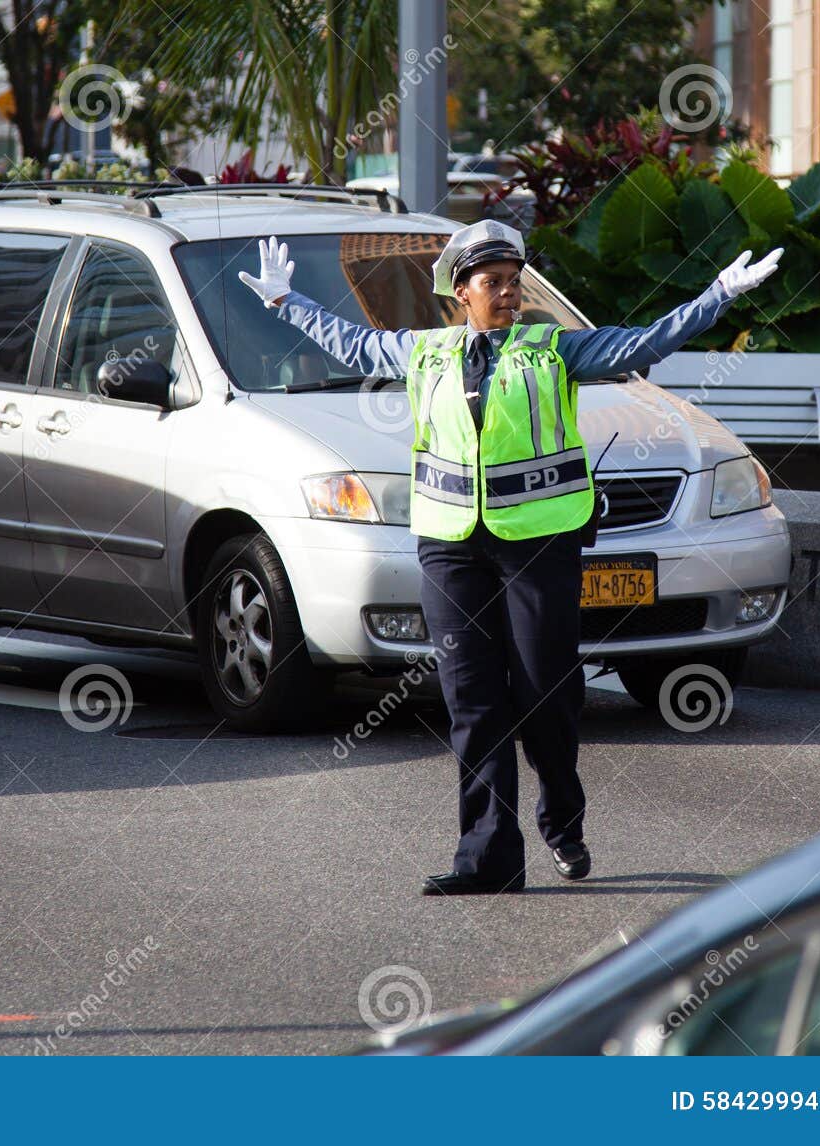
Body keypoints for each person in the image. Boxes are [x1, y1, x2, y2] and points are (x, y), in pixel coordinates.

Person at [237, 220, 782, 895]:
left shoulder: (552, 350)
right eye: (492, 283)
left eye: (514, 282)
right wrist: (288, 304)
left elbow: (644, 343)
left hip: (539, 545)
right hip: (450, 546)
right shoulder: (428, 352)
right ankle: (489, 858)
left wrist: (718, 295)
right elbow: (356, 342)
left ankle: (562, 819)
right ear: (460, 291)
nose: (508, 293)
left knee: (544, 693)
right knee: (471, 699)